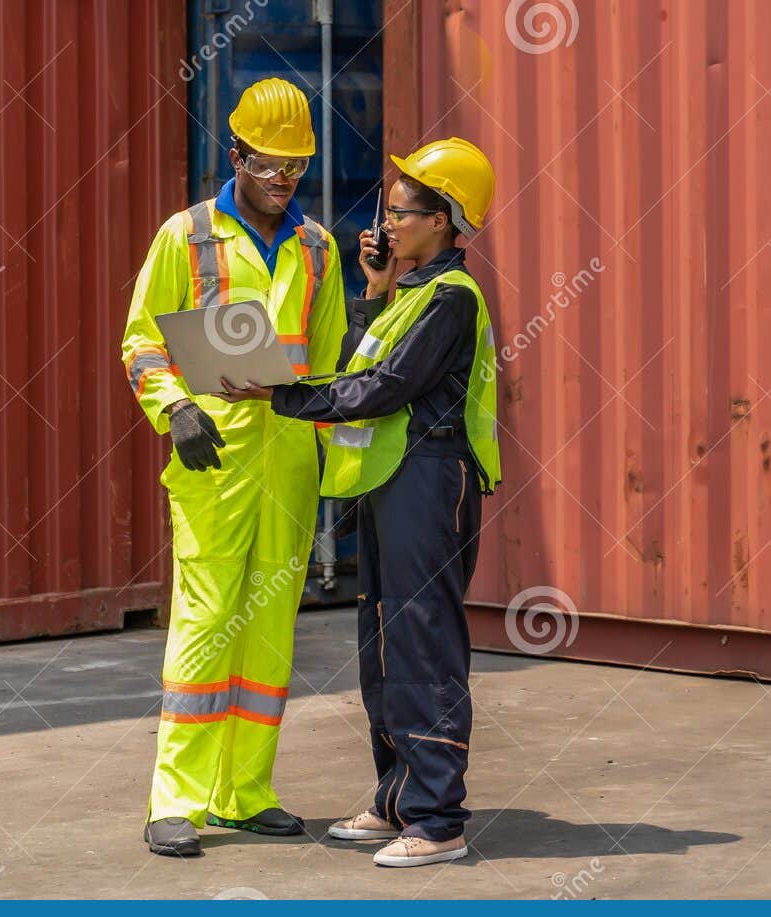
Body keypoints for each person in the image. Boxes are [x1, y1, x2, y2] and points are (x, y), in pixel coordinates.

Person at [219, 137, 501, 867]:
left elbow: (382, 389)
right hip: (392, 481)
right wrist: (374, 288)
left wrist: (279, 394)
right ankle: (397, 797)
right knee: (383, 641)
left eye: (401, 212)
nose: (386, 224)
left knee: (423, 645)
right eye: (388, 210)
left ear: (442, 220)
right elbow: (359, 364)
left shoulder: (450, 298)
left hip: (431, 481)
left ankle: (437, 819)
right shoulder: (408, 296)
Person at [120, 78, 348, 857]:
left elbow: (327, 363)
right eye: (270, 163)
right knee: (206, 621)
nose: (284, 177)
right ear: (237, 155)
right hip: (213, 458)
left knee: (271, 630)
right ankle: (175, 800)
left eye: (297, 164)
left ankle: (245, 793)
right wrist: (174, 410)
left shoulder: (319, 248)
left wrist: (332, 459)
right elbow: (141, 340)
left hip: (289, 461)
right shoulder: (185, 236)